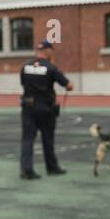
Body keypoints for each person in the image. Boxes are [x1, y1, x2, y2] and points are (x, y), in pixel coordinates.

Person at [19, 40, 73, 179]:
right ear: (48, 51)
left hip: (28, 106)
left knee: (27, 140)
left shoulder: (26, 66)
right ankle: (52, 167)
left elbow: (23, 83)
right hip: (45, 108)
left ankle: (26, 170)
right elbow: (68, 85)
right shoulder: (51, 68)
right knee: (47, 139)